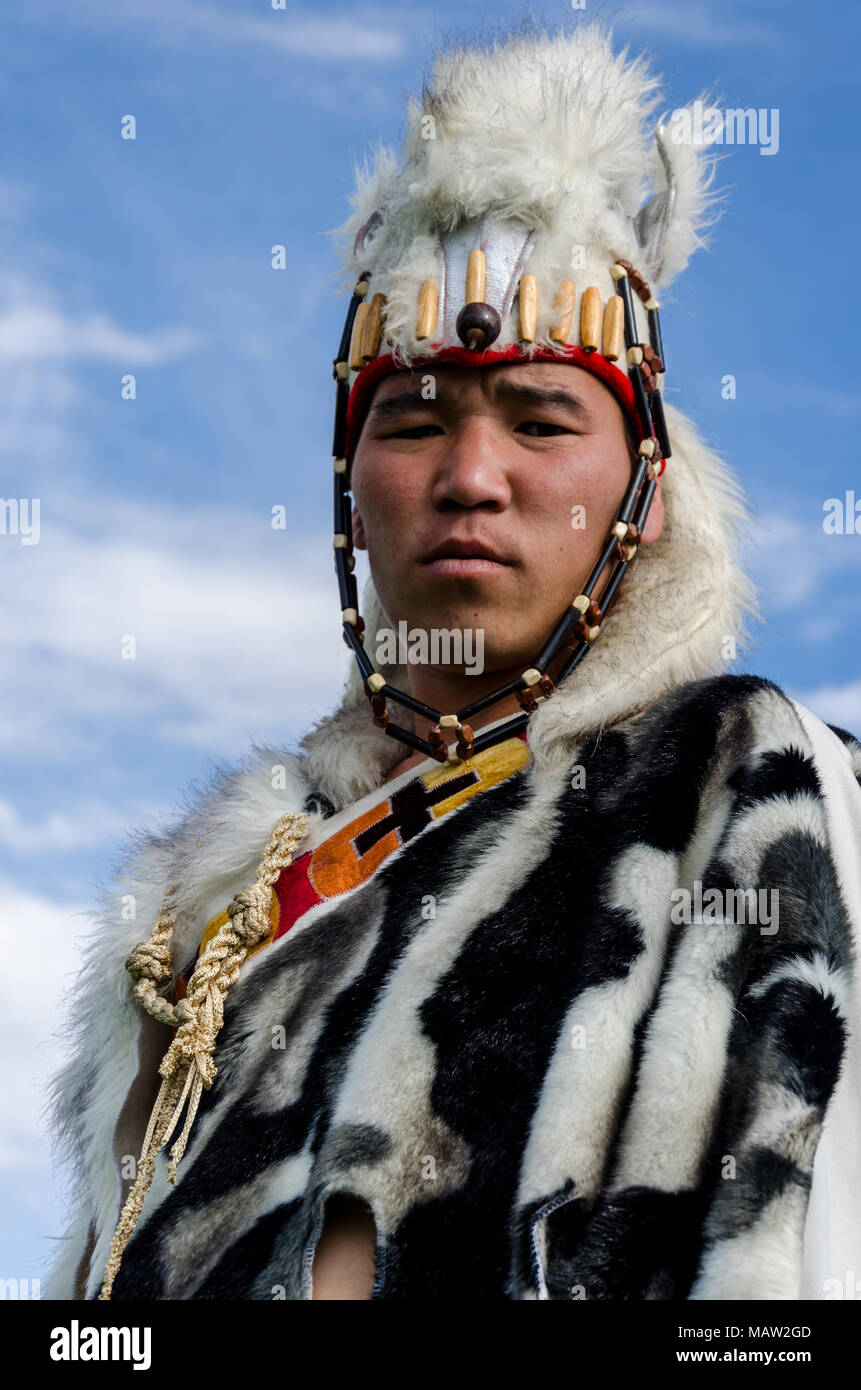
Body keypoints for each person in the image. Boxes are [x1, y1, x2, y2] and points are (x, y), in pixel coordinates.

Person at [45, 21, 861, 1302]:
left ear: (645, 495)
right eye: (414, 418)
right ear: (350, 481)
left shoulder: (748, 782)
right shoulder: (199, 915)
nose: (471, 477)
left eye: (543, 419)